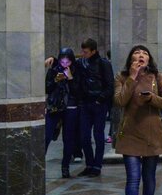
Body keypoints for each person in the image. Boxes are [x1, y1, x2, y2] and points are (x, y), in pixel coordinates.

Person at [113, 45, 162, 195]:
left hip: (152, 133)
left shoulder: (157, 76)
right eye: (137, 53)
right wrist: (132, 77)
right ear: (131, 59)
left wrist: (152, 98)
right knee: (133, 178)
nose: (141, 55)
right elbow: (120, 101)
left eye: (145, 53)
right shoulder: (122, 77)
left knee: (149, 177)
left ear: (149, 59)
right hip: (130, 133)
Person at [77, 38, 115, 177]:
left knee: (98, 135)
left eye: (86, 52)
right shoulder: (81, 63)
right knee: (84, 136)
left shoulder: (103, 64)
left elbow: (110, 85)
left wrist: (100, 99)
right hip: (86, 104)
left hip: (99, 104)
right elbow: (66, 62)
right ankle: (89, 164)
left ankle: (97, 165)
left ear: (93, 51)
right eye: (82, 51)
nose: (83, 54)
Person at [45, 47, 83, 178]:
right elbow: (47, 88)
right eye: (62, 62)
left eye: (68, 62)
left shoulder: (77, 71)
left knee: (69, 138)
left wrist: (70, 78)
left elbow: (78, 92)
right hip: (55, 107)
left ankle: (65, 166)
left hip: (71, 108)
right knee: (47, 135)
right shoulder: (54, 70)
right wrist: (56, 80)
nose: (65, 64)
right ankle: (39, 164)